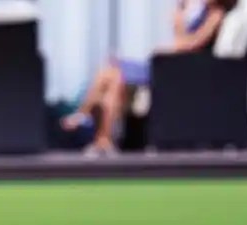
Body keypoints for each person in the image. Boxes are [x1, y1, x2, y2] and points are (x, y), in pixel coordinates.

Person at [62, 0, 235, 156]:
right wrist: (179, 21)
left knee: (114, 71)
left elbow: (191, 44)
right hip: (170, 66)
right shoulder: (201, 14)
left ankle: (84, 115)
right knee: (112, 76)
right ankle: (102, 138)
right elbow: (181, 42)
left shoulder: (215, 15)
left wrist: (177, 27)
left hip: (175, 72)